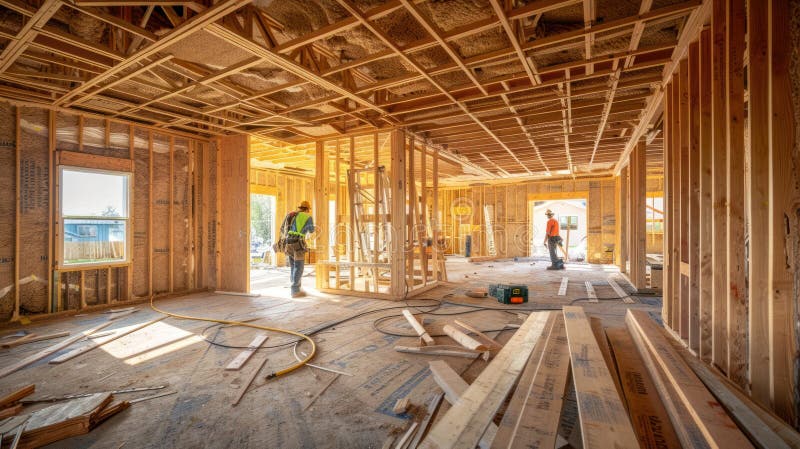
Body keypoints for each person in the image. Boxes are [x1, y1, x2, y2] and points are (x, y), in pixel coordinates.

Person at [279, 200, 315, 297]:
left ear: (299, 208)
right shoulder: (307, 216)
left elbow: (282, 228)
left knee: (293, 266)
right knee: (299, 267)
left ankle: (296, 288)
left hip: (288, 243)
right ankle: (295, 291)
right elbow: (311, 230)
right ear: (307, 209)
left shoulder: (290, 215)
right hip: (298, 244)